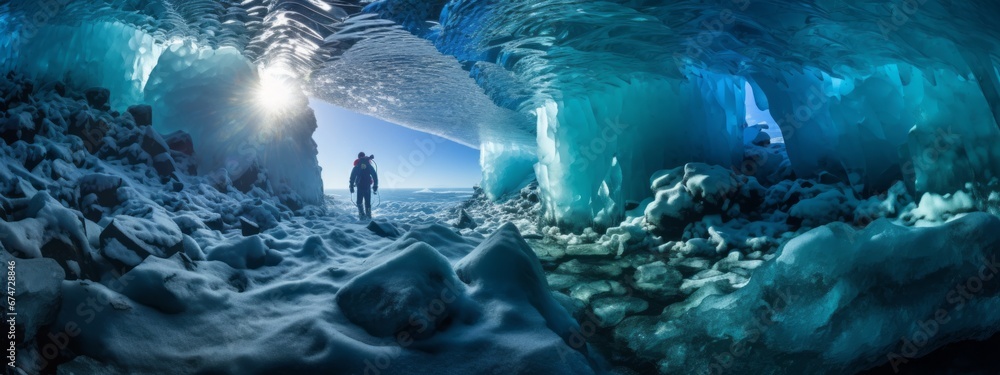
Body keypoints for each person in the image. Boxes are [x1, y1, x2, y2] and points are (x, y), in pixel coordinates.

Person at [349, 153, 378, 220]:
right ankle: (368, 216)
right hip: (367, 186)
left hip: (360, 186)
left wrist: (351, 186)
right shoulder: (369, 165)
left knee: (359, 202)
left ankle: (361, 216)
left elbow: (352, 177)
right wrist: (375, 185)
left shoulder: (357, 166)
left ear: (358, 157)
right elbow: (374, 176)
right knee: (367, 203)